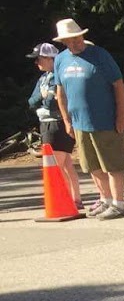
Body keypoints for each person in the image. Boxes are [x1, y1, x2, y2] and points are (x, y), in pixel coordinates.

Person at [51, 19, 124, 220]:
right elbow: (61, 92)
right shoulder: (61, 60)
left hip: (104, 120)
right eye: (70, 39)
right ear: (64, 41)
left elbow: (119, 85)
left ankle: (119, 204)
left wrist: (122, 115)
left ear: (82, 35)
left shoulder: (100, 55)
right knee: (91, 165)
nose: (75, 42)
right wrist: (67, 120)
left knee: (112, 163)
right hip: (79, 122)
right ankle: (106, 200)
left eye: (77, 37)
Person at [26, 42, 80, 211]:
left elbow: (51, 103)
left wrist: (44, 99)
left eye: (39, 59)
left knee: (56, 165)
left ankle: (66, 199)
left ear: (51, 59)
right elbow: (31, 101)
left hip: (56, 125)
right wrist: (42, 98)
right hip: (46, 124)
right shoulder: (43, 78)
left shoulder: (58, 76)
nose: (37, 63)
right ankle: (75, 198)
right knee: (66, 164)